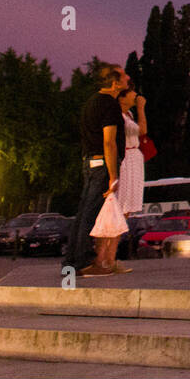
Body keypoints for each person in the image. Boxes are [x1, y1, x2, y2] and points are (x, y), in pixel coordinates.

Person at [66, 63, 131, 277]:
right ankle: (83, 263)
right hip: (102, 164)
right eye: (123, 77)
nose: (127, 78)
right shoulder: (109, 105)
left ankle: (71, 261)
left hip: (89, 162)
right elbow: (109, 142)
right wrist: (113, 175)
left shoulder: (91, 102)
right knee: (91, 213)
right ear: (114, 83)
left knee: (84, 211)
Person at [117, 88, 146, 216]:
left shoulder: (129, 114)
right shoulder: (118, 115)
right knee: (122, 200)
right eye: (132, 92)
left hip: (134, 157)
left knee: (130, 203)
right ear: (122, 98)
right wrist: (141, 109)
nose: (135, 95)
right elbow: (142, 131)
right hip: (126, 157)